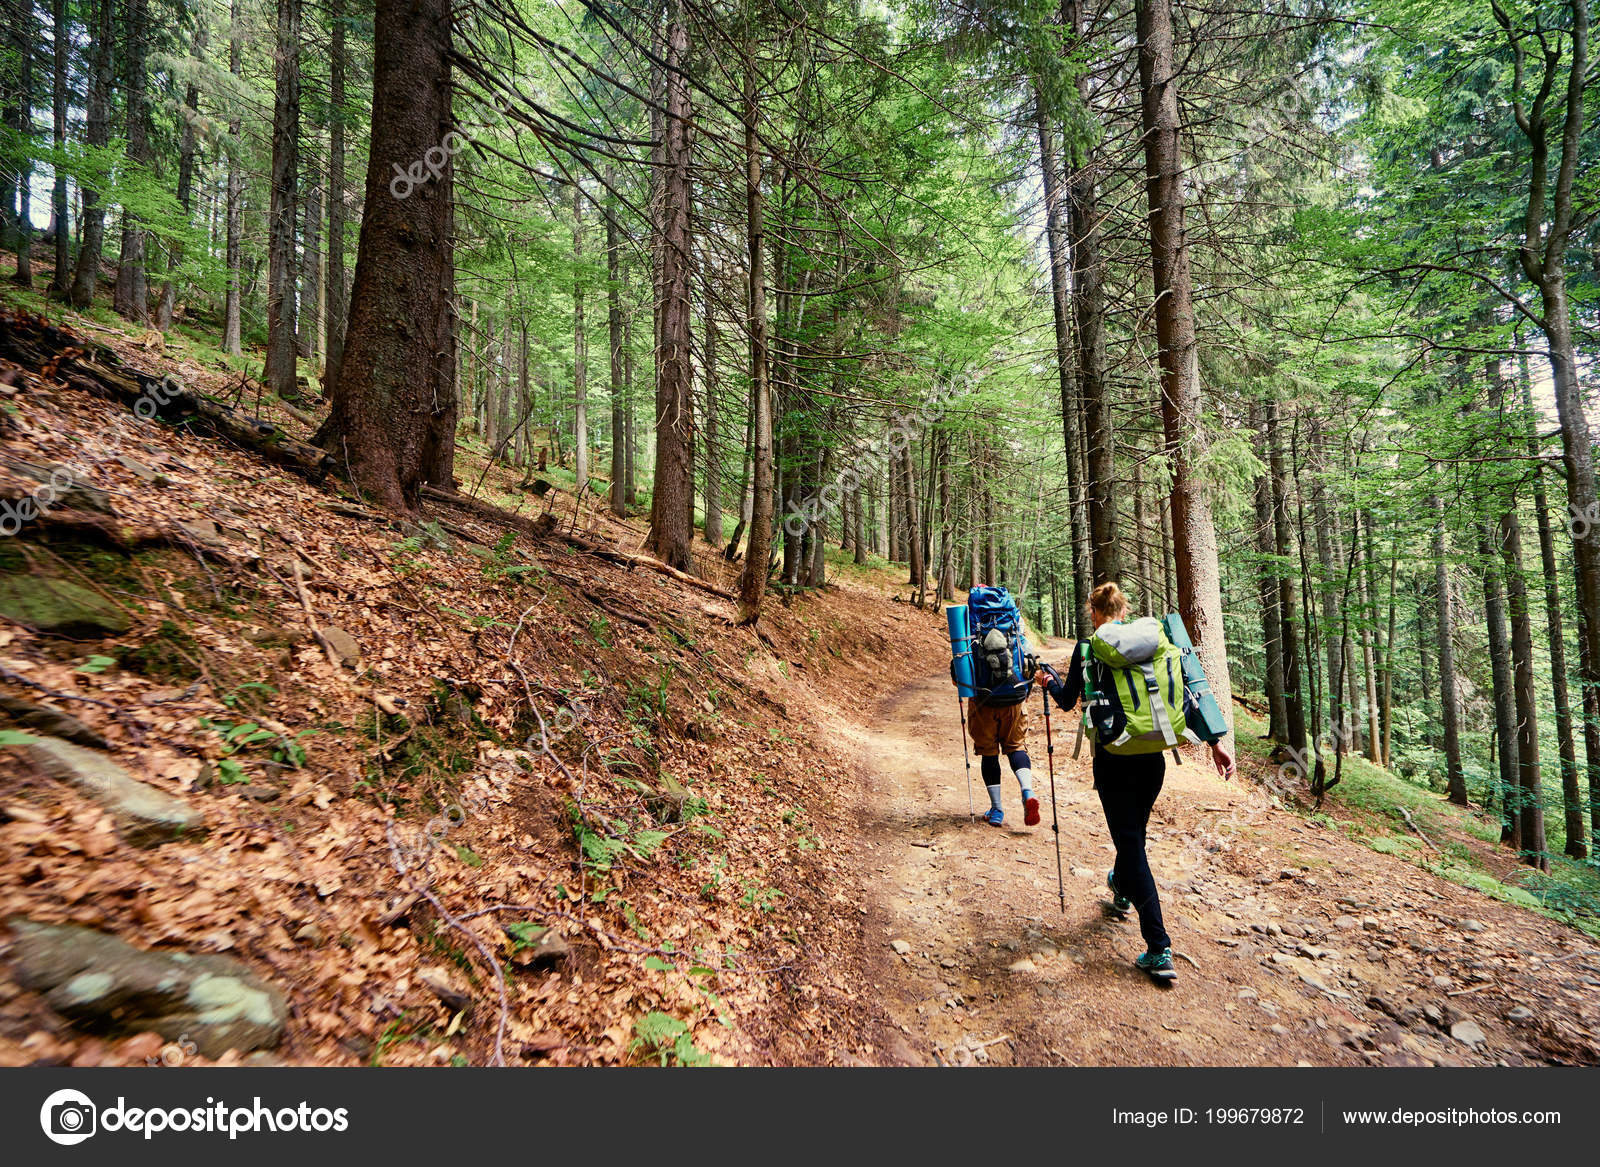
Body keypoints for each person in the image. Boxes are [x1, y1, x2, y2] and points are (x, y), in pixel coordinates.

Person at [1035, 581, 1235, 979]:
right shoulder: (1156, 644)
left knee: (1131, 845)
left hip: (1114, 760)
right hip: (1153, 761)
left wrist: (1048, 681)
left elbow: (1067, 700)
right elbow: (1192, 688)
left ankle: (1159, 947)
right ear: (1123, 612)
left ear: (1095, 613)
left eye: (1092, 612)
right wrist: (1215, 742)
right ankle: (1121, 887)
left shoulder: (1089, 648)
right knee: (1132, 839)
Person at [967, 689, 1040, 829]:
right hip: (1014, 700)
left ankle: (997, 810)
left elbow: (959, 682)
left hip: (984, 703)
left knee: (989, 752)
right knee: (1016, 747)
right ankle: (1027, 790)